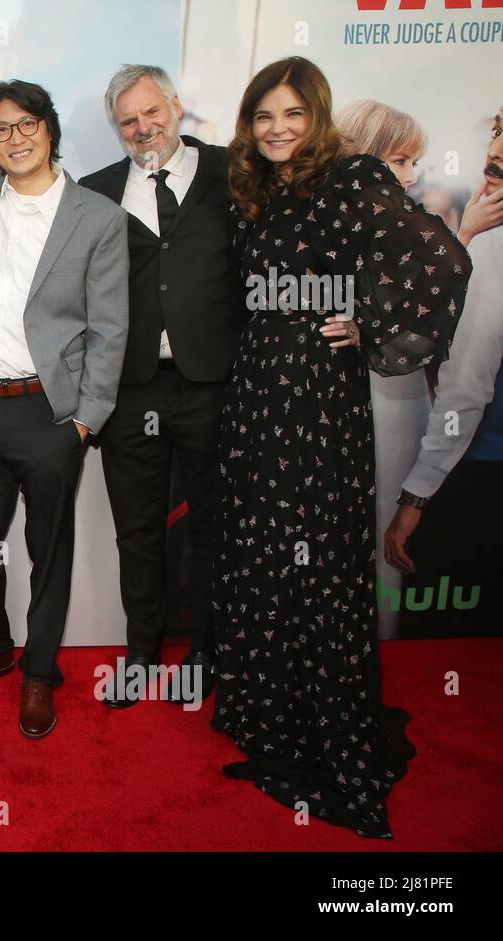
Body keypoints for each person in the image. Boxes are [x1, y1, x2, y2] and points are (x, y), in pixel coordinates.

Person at [213, 56, 471, 838]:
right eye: (263, 116)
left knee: (316, 560)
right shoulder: (260, 191)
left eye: (292, 114)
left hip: (316, 407)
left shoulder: (350, 178)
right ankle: (271, 722)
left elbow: (439, 256)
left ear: (315, 117)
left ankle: (331, 745)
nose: (277, 128)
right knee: (260, 555)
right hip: (257, 397)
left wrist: (370, 324)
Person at [0, 80, 129, 739]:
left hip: (51, 412)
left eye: (27, 124)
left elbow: (110, 327)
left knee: (47, 550)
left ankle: (40, 671)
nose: (16, 137)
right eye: (1, 129)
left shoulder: (97, 216)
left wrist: (86, 419)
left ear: (50, 131)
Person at [80, 64, 244, 708]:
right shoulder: (94, 192)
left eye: (151, 113)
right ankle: (141, 654)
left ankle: (204, 654)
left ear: (176, 106)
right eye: (127, 121)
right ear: (115, 128)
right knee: (138, 530)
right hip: (134, 388)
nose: (142, 128)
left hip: (213, 382)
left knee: (212, 528)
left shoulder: (234, 172)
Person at [384, 104, 503, 636]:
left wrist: (414, 498)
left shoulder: (491, 246)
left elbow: (464, 390)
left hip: (475, 475)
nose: (493, 153)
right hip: (471, 463)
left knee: (448, 656)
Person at [335, 100, 438, 637]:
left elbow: (418, 330)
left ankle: (382, 657)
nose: (413, 174)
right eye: (401, 160)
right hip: (330, 402)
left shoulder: (414, 232)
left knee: (384, 542)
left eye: (413, 161)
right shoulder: (319, 223)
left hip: (394, 402)